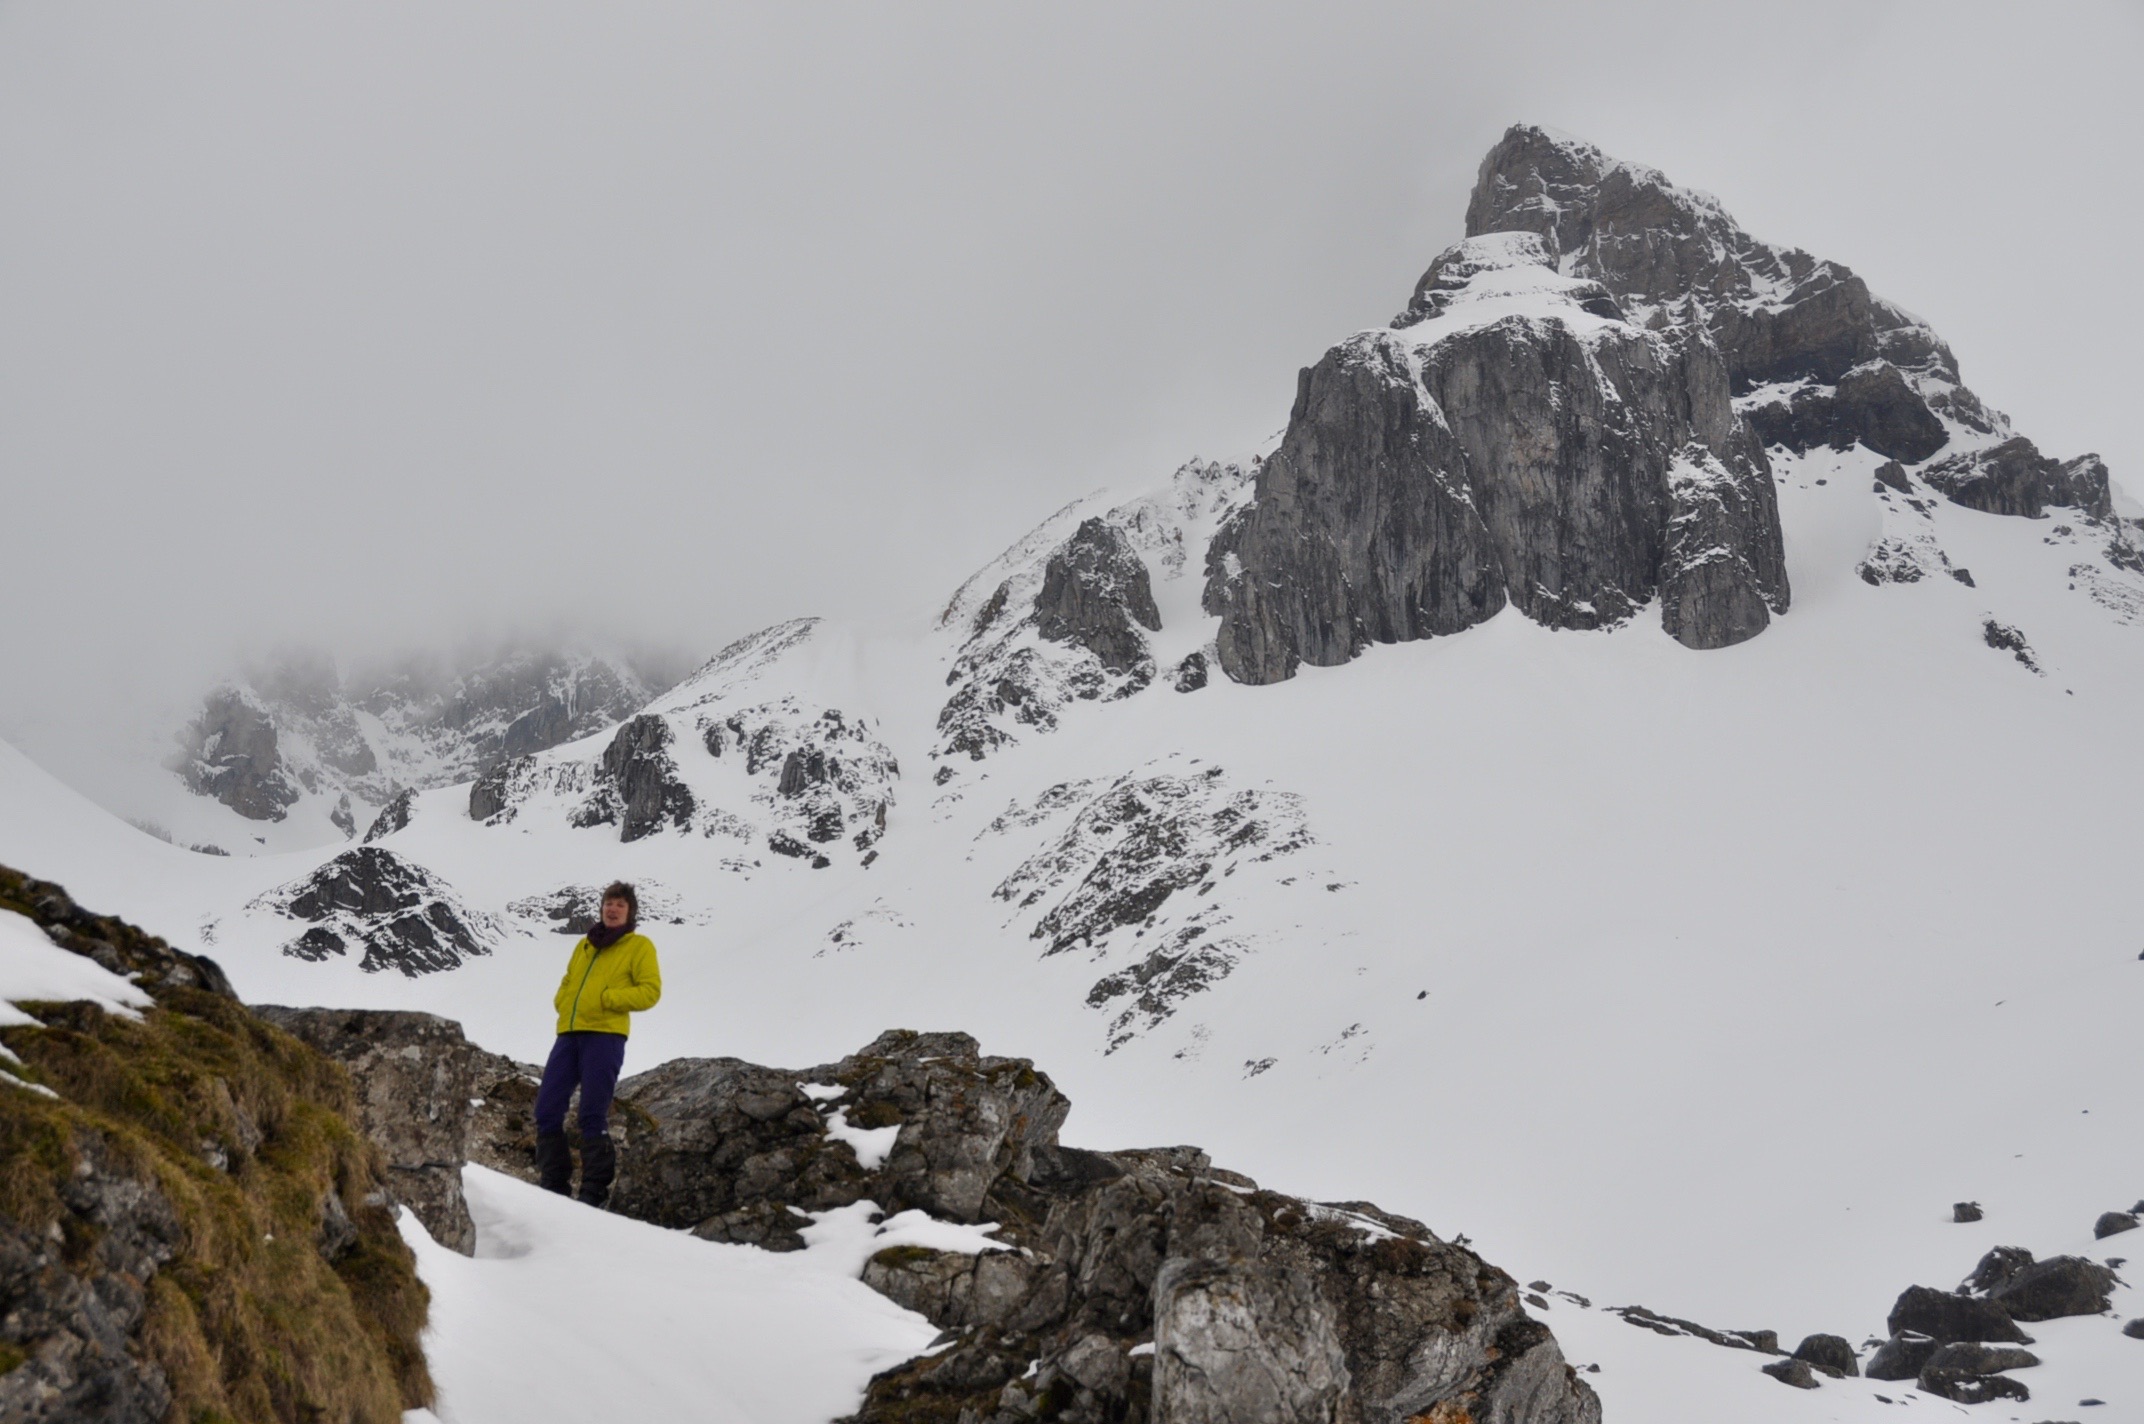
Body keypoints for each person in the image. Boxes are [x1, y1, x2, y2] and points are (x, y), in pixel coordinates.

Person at [533, 881, 662, 1207]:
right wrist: (563, 1002)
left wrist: (608, 999)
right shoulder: (585, 946)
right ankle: (554, 1187)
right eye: (609, 903)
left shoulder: (639, 946)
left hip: (605, 1036)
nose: (613, 908)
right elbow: (567, 982)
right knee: (546, 1108)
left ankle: (592, 1195)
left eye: (620, 904)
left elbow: (650, 991)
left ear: (630, 912)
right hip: (569, 1034)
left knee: (592, 1113)